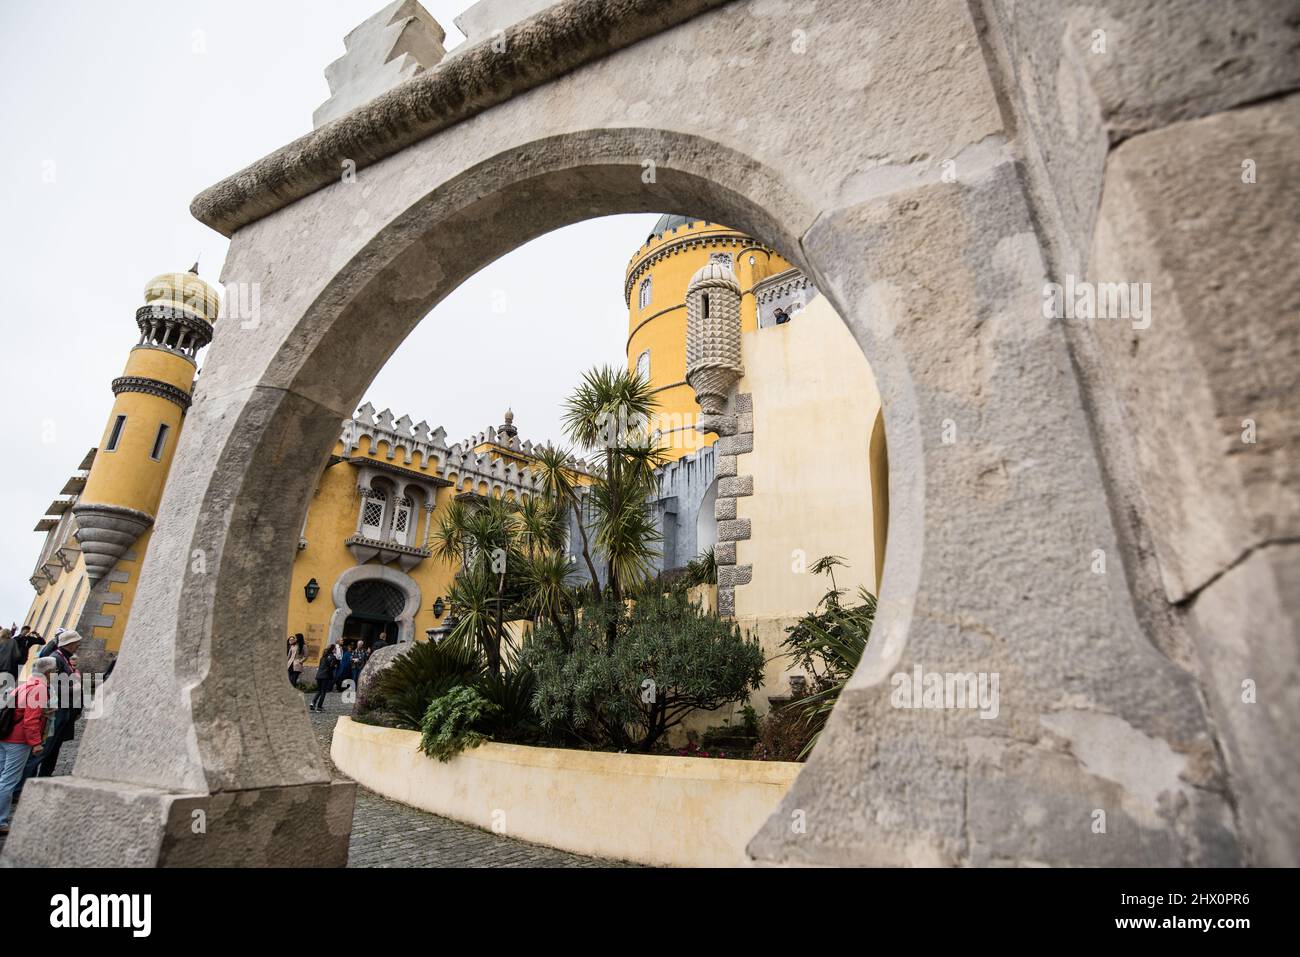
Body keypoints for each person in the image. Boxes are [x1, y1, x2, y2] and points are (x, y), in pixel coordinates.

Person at [0, 657, 56, 834]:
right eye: (54, 671)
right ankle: (0, 821)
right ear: (48, 672)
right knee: (8, 780)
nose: (55, 674)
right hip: (18, 740)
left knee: (2, 777)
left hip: (5, 735)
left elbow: (16, 709)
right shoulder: (40, 688)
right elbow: (30, 720)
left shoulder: (24, 685)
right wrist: (36, 743)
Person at [34, 630, 82, 778]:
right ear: (69, 643)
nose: (78, 645)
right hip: (56, 709)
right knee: (47, 746)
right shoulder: (56, 658)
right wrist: (72, 689)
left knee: (54, 746)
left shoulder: (64, 658)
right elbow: (51, 685)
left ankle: (44, 776)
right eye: (76, 642)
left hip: (64, 707)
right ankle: (28, 780)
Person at [310, 643, 340, 713]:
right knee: (323, 692)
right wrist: (335, 665)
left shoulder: (323, 657)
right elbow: (331, 667)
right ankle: (319, 707)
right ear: (332, 650)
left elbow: (321, 666)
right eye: (335, 649)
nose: (336, 650)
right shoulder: (333, 657)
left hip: (319, 675)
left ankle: (313, 702)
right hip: (325, 676)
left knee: (319, 690)